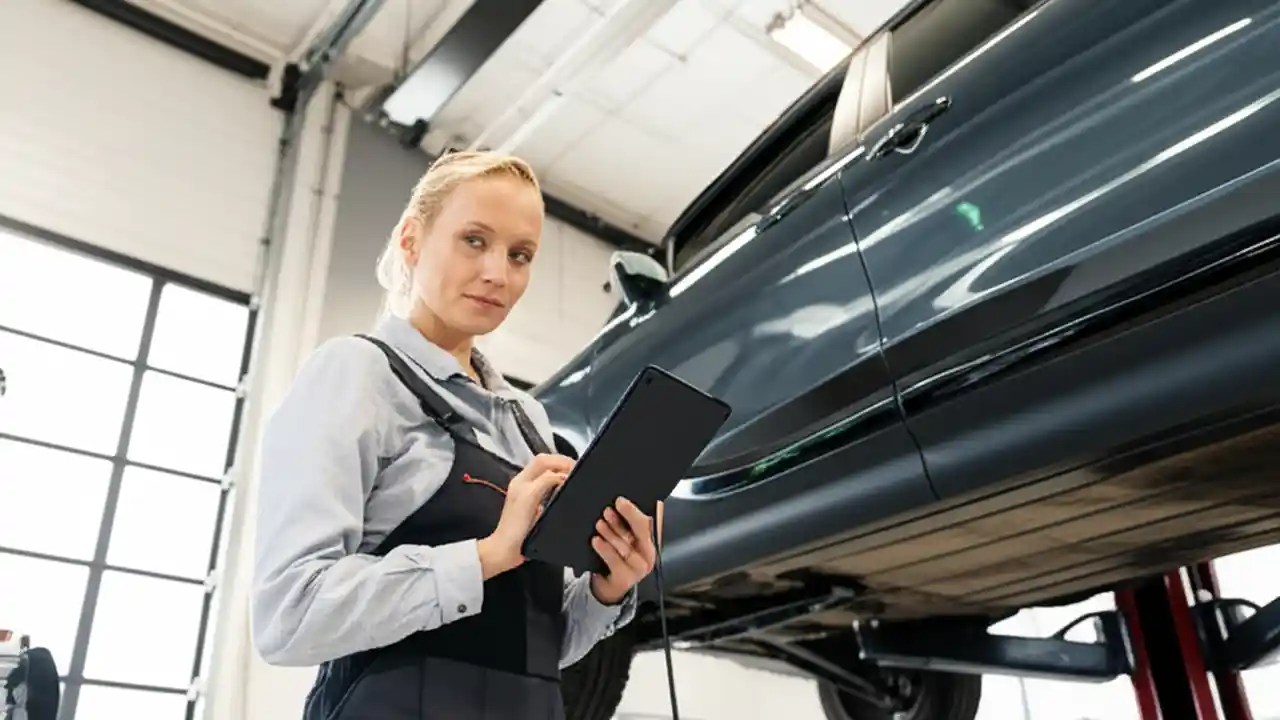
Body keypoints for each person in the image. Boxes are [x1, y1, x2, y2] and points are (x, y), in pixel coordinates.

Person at [250, 151, 661, 720]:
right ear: (412, 241)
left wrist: (607, 587)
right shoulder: (357, 374)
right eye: (474, 240)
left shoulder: (528, 420)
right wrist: (488, 555)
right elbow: (287, 617)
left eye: (520, 255)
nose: (498, 273)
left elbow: (541, 645)